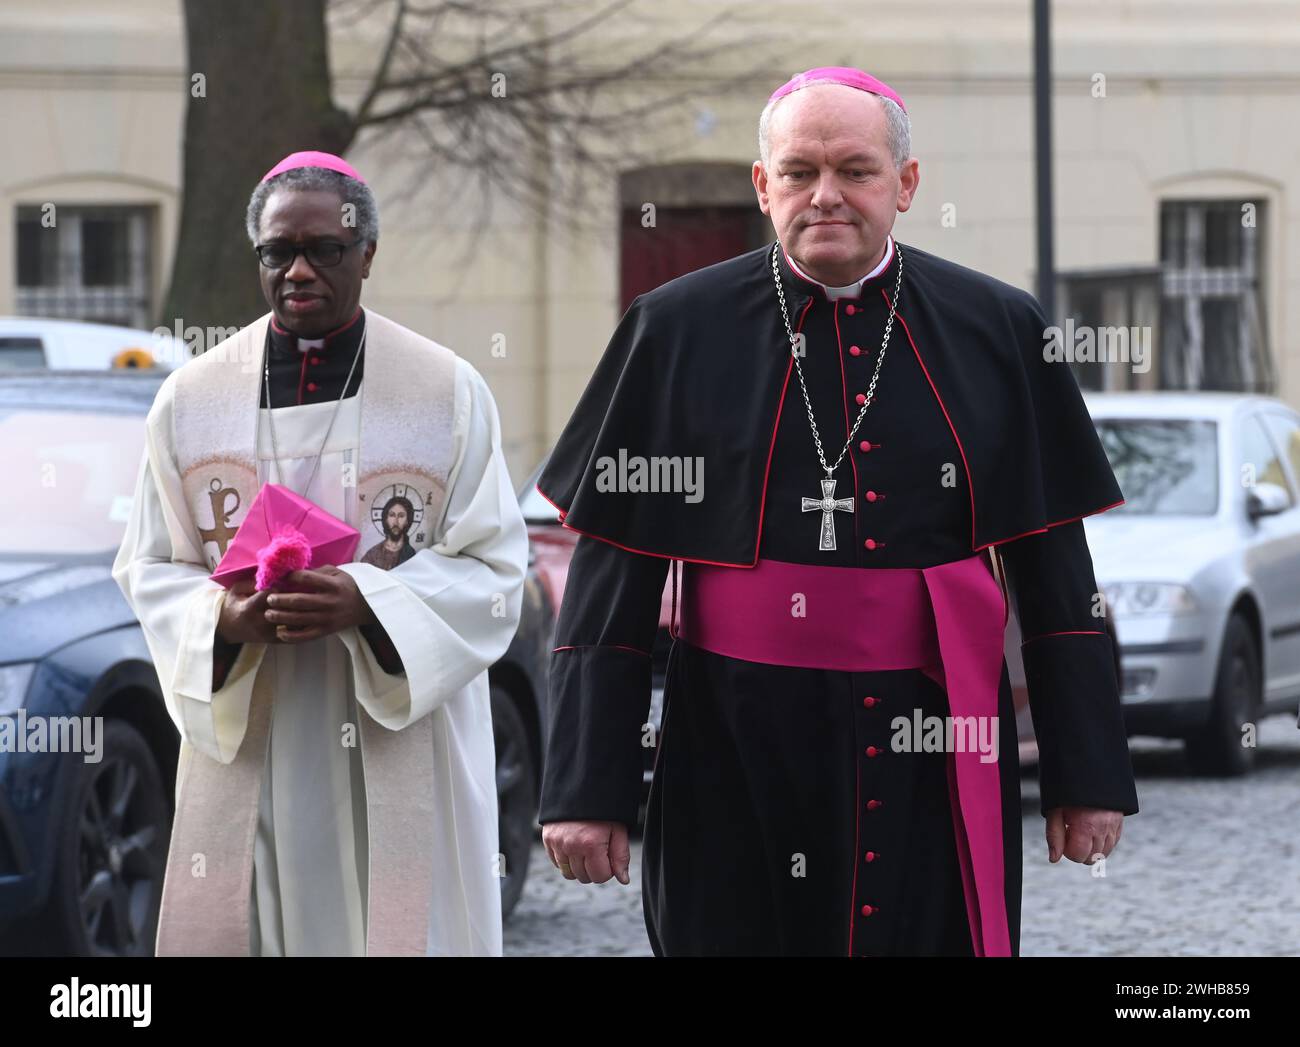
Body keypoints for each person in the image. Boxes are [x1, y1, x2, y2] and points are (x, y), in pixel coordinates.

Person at [535, 68, 1139, 957]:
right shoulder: (675, 328)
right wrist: (587, 788)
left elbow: (1056, 575)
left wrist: (1086, 776)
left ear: (905, 184)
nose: (826, 196)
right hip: (730, 735)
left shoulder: (999, 327)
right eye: (799, 172)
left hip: (931, 729)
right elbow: (612, 573)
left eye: (855, 171)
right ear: (761, 184)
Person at [112, 150, 528, 956]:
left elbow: (497, 570)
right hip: (258, 733)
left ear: (366, 254)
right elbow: (150, 566)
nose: (298, 270)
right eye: (278, 252)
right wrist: (224, 620)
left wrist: (369, 603)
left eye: (324, 250)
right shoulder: (191, 399)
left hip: (398, 730)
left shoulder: (445, 391)